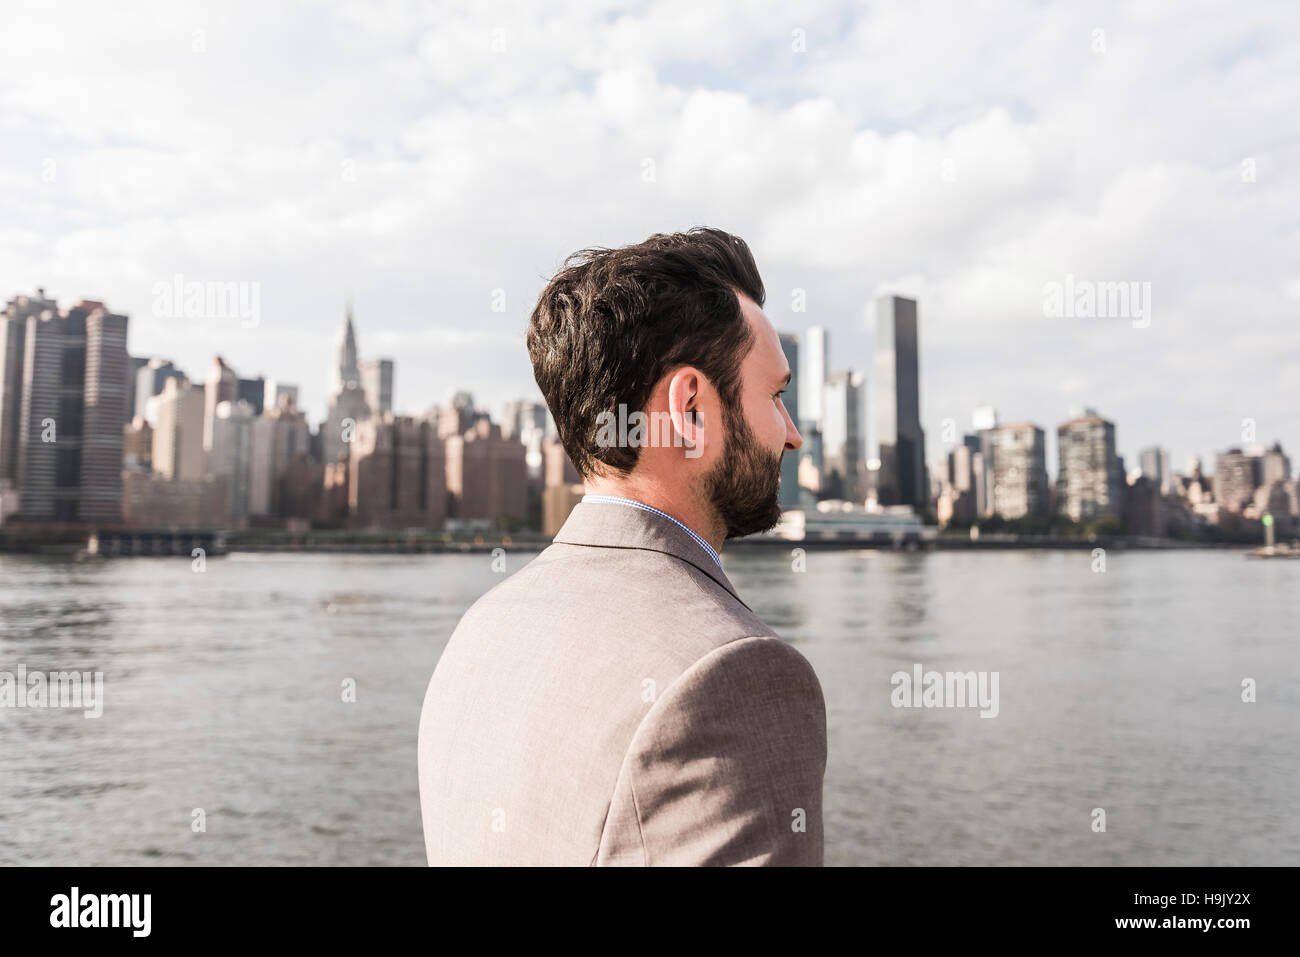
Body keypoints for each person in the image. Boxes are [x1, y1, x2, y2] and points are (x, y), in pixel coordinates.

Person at [417, 226, 826, 865]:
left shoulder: (480, 630)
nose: (792, 434)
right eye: (775, 396)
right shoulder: (735, 673)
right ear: (691, 411)